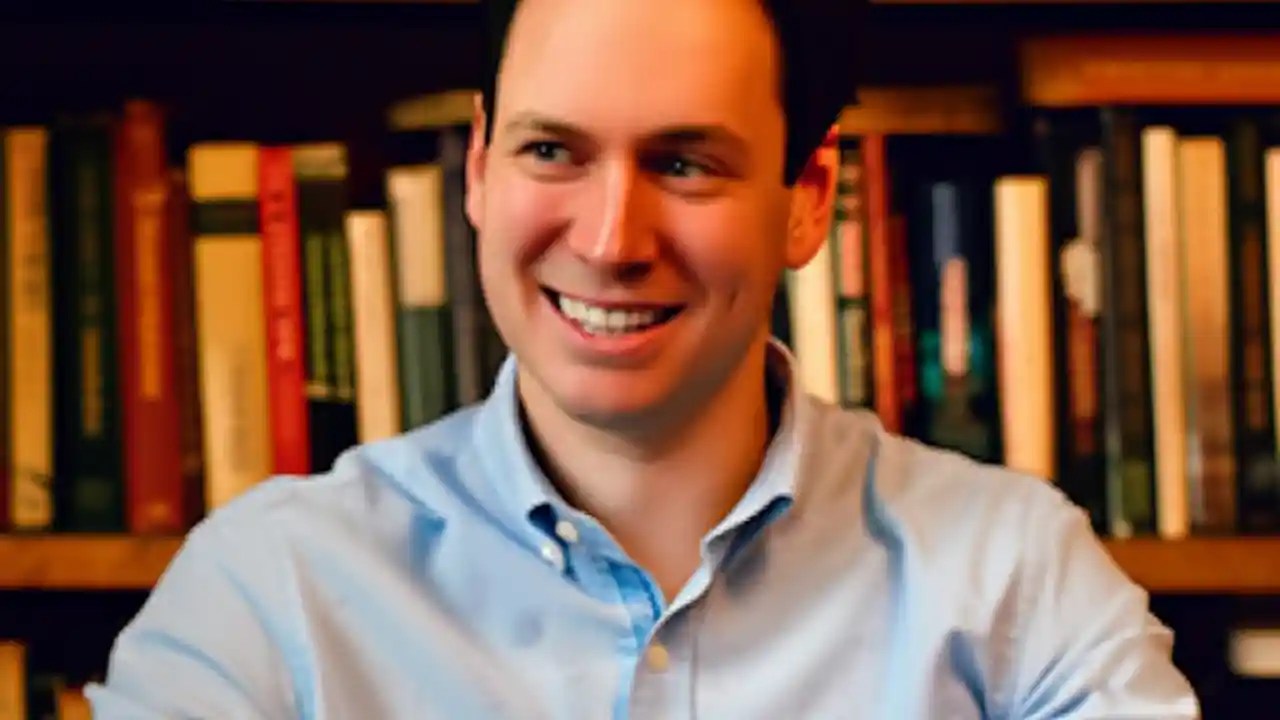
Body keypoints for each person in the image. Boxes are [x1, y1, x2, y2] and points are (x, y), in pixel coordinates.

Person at [87, 0, 1201, 717]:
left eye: (683, 163)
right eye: (549, 151)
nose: (612, 240)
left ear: (806, 200)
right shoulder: (269, 591)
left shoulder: (1013, 580)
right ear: (478, 168)